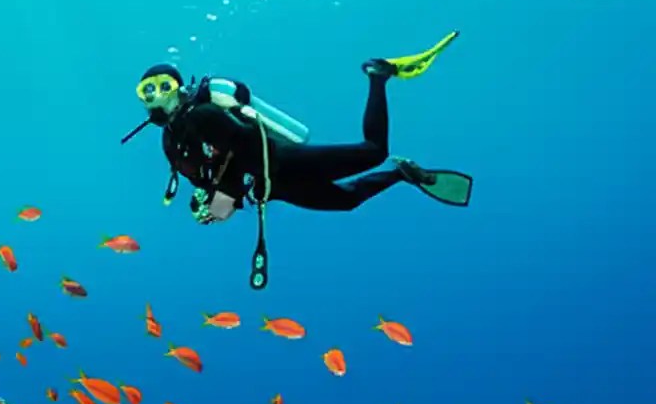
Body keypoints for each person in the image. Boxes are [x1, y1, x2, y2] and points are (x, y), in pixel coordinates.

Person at [119, 31, 473, 289]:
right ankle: (401, 173)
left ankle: (377, 75)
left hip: (284, 163)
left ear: (179, 87)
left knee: (372, 151)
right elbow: (208, 180)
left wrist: (222, 202)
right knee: (347, 201)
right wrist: (208, 205)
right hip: (274, 186)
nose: (156, 96)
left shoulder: (205, 115)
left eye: (163, 85)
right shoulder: (170, 143)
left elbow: (242, 146)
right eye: (147, 91)